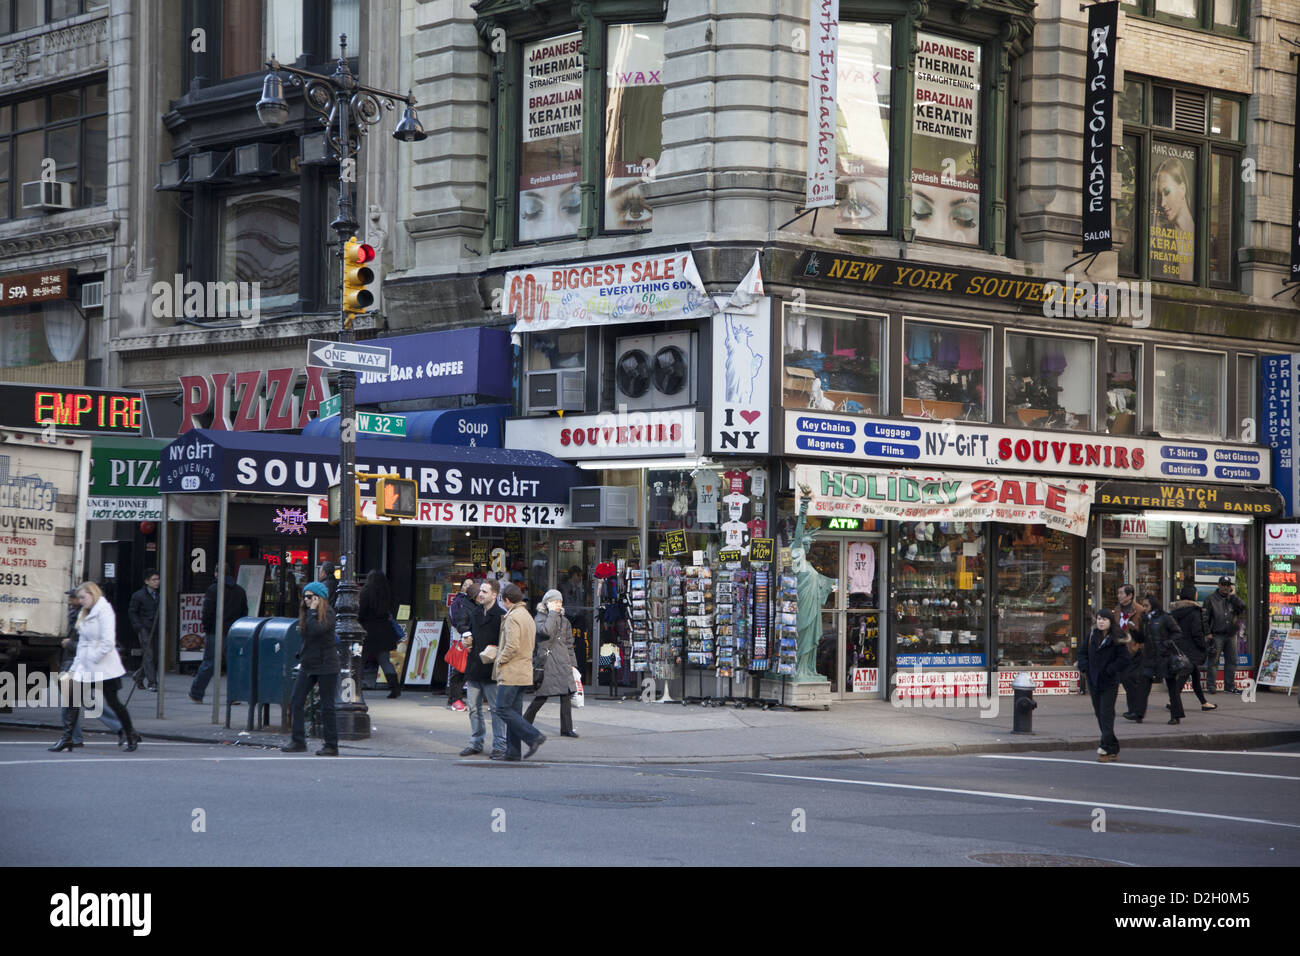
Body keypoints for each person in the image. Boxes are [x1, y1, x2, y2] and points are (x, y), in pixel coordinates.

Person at [49, 582, 141, 753]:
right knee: (72, 699)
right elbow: (83, 643)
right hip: (85, 666)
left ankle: (130, 733)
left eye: (83, 597)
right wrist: (75, 668)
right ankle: (67, 738)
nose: (80, 601)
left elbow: (108, 642)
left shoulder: (104, 611)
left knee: (114, 703)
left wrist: (92, 658)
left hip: (104, 666)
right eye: (79, 598)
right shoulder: (84, 613)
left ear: (93, 594)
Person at [282, 582, 340, 756]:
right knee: (296, 700)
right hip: (308, 665)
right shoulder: (307, 613)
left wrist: (314, 611)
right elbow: (307, 637)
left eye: (309, 596)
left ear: (318, 598)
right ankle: (298, 740)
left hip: (326, 665)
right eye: (304, 597)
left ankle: (331, 745)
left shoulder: (328, 613)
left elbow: (316, 631)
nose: (305, 600)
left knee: (327, 705)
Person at [492, 583, 546, 761]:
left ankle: (533, 736)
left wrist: (500, 659)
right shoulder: (527, 615)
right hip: (524, 670)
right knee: (513, 712)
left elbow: (512, 646)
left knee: (501, 709)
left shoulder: (513, 617)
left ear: (506, 600)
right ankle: (513, 752)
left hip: (512, 670)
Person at [461, 578, 507, 758]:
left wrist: (496, 651)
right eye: (480, 591)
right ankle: (476, 742)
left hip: (491, 670)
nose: (480, 594)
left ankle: (499, 745)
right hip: (474, 666)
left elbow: (505, 643)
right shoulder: (475, 612)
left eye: (485, 592)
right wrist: (466, 638)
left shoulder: (501, 615)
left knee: (496, 709)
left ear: (494, 595)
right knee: (473, 708)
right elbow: (467, 629)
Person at [1077, 610, 1131, 762]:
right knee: (1099, 714)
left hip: (1109, 682)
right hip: (1094, 681)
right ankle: (1113, 746)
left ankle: (1105, 748)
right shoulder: (1092, 635)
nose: (1101, 622)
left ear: (1110, 621)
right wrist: (1084, 667)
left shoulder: (1117, 637)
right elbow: (1081, 653)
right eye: (1099, 619)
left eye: (1104, 619)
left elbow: (1125, 659)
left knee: (1106, 714)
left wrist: (1110, 670)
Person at [189, 571, 250, 704]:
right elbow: (244, 611)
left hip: (215, 631)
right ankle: (234, 695)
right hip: (233, 631)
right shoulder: (240, 590)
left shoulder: (213, 589)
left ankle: (196, 693)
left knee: (209, 663)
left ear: (217, 573)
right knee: (233, 664)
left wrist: (207, 628)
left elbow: (207, 612)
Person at [525, 589, 579, 738]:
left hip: (563, 662)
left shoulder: (564, 620)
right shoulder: (540, 618)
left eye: (560, 601)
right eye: (555, 601)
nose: (558, 604)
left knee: (566, 695)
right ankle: (524, 723)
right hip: (548, 662)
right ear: (547, 603)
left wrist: (573, 664)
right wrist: (552, 613)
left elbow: (569, 643)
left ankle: (566, 729)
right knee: (542, 695)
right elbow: (546, 631)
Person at [1139, 593, 1186, 725]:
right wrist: (1133, 631)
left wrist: (1167, 643)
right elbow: (1142, 637)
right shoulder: (1145, 618)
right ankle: (1138, 713)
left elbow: (1177, 632)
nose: (1144, 608)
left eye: (1146, 605)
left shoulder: (1164, 617)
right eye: (1143, 605)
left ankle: (1176, 715)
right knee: (1143, 683)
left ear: (1153, 605)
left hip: (1164, 656)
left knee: (1171, 686)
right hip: (1150, 657)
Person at [1170, 583, 1214, 711]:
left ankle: (1204, 702)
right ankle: (1174, 701)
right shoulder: (1194, 612)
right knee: (1184, 677)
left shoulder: (1175, 612)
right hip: (1191, 649)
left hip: (1179, 647)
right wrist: (1203, 646)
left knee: (1195, 676)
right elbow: (1196, 632)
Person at [358, 569, 400, 698]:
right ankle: (395, 688)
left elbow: (361, 612)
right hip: (384, 630)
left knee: (359, 661)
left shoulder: (366, 592)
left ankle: (356, 687)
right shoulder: (387, 592)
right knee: (385, 661)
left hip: (367, 631)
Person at [1203, 575, 1246, 695]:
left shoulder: (1232, 599)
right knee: (1213, 661)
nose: (1225, 587)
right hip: (1216, 634)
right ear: (1219, 585)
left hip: (1231, 634)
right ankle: (1211, 685)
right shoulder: (1210, 599)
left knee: (1232, 661)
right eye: (1223, 585)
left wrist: (1234, 597)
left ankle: (1230, 686)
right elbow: (1205, 618)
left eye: (1228, 585)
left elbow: (1243, 608)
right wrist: (1208, 633)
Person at [1113, 584, 1147, 719]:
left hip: (1134, 649)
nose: (1119, 596)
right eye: (1118, 593)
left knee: (1130, 679)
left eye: (1121, 593)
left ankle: (1136, 710)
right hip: (1121, 649)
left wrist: (1138, 647)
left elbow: (1143, 631)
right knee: (1127, 680)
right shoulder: (1117, 609)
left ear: (1130, 595)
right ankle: (1134, 709)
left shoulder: (1139, 610)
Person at [445, 578, 477, 712]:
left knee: (468, 670)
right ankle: (454, 698)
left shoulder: (477, 605)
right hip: (465, 640)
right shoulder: (461, 603)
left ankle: (459, 698)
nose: (468, 587)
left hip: (474, 641)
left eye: (471, 585)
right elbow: (458, 622)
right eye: (466, 584)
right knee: (460, 669)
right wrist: (467, 634)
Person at [128, 569, 161, 691]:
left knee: (156, 656)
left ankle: (139, 675)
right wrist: (139, 626)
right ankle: (152, 683)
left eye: (158, 579)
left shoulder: (160, 594)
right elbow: (132, 612)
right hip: (144, 628)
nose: (157, 582)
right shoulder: (138, 596)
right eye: (154, 580)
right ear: (147, 581)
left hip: (157, 628)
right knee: (149, 655)